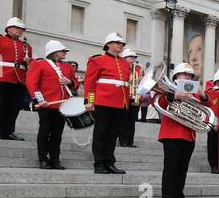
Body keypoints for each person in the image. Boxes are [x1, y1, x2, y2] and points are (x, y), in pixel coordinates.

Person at [157, 63, 206, 198]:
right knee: (171, 168)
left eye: (190, 75)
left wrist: (203, 95)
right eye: (184, 74)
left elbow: (206, 106)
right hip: (172, 133)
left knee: (182, 170)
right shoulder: (169, 87)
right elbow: (159, 101)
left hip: (189, 134)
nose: (187, 77)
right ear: (176, 76)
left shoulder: (192, 89)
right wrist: (173, 96)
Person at [84, 32, 133, 174]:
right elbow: (90, 82)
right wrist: (89, 101)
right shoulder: (97, 60)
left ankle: (110, 162)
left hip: (121, 103)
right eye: (117, 43)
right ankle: (99, 163)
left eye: (122, 44)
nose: (121, 45)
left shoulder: (124, 63)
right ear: (108, 44)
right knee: (101, 134)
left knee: (113, 135)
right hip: (103, 102)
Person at [26, 39, 79, 170]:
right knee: (44, 131)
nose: (65, 53)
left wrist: (70, 82)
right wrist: (39, 99)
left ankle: (55, 159)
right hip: (46, 104)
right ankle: (43, 159)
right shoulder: (40, 64)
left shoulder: (67, 67)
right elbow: (32, 83)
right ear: (54, 52)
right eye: (62, 51)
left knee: (57, 134)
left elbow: (76, 84)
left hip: (63, 105)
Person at [0, 17, 33, 140]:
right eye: (17, 28)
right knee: (0, 104)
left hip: (19, 79)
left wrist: (29, 61)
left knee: (14, 106)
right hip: (2, 76)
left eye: (22, 29)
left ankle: (9, 130)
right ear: (8, 28)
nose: (20, 31)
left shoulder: (26, 46)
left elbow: (30, 66)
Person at [118, 47, 142, 147]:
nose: (133, 60)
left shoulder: (138, 68)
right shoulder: (121, 67)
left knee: (131, 121)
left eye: (134, 58)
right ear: (124, 58)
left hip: (134, 97)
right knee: (122, 120)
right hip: (123, 97)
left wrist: (140, 80)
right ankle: (122, 141)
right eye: (130, 57)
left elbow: (142, 83)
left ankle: (130, 141)